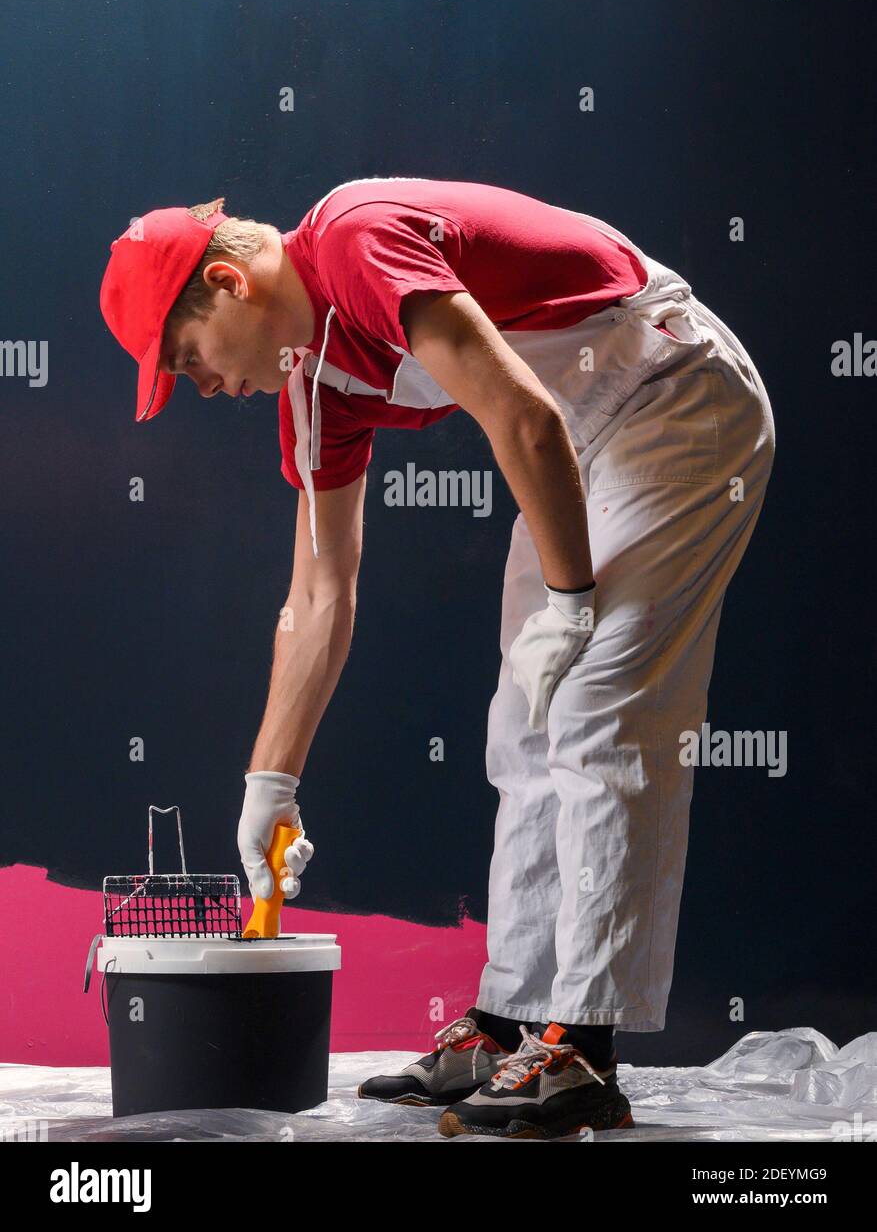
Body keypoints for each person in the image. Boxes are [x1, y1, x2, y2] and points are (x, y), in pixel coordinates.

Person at [99, 177, 775, 1140]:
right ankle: (507, 1026)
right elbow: (319, 598)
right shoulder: (312, 388)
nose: (201, 388)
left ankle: (582, 1046)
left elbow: (523, 416)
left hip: (671, 393)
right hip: (578, 441)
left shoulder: (355, 239)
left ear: (227, 283)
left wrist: (573, 603)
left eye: (186, 357)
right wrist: (269, 782)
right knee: (524, 726)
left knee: (596, 706)